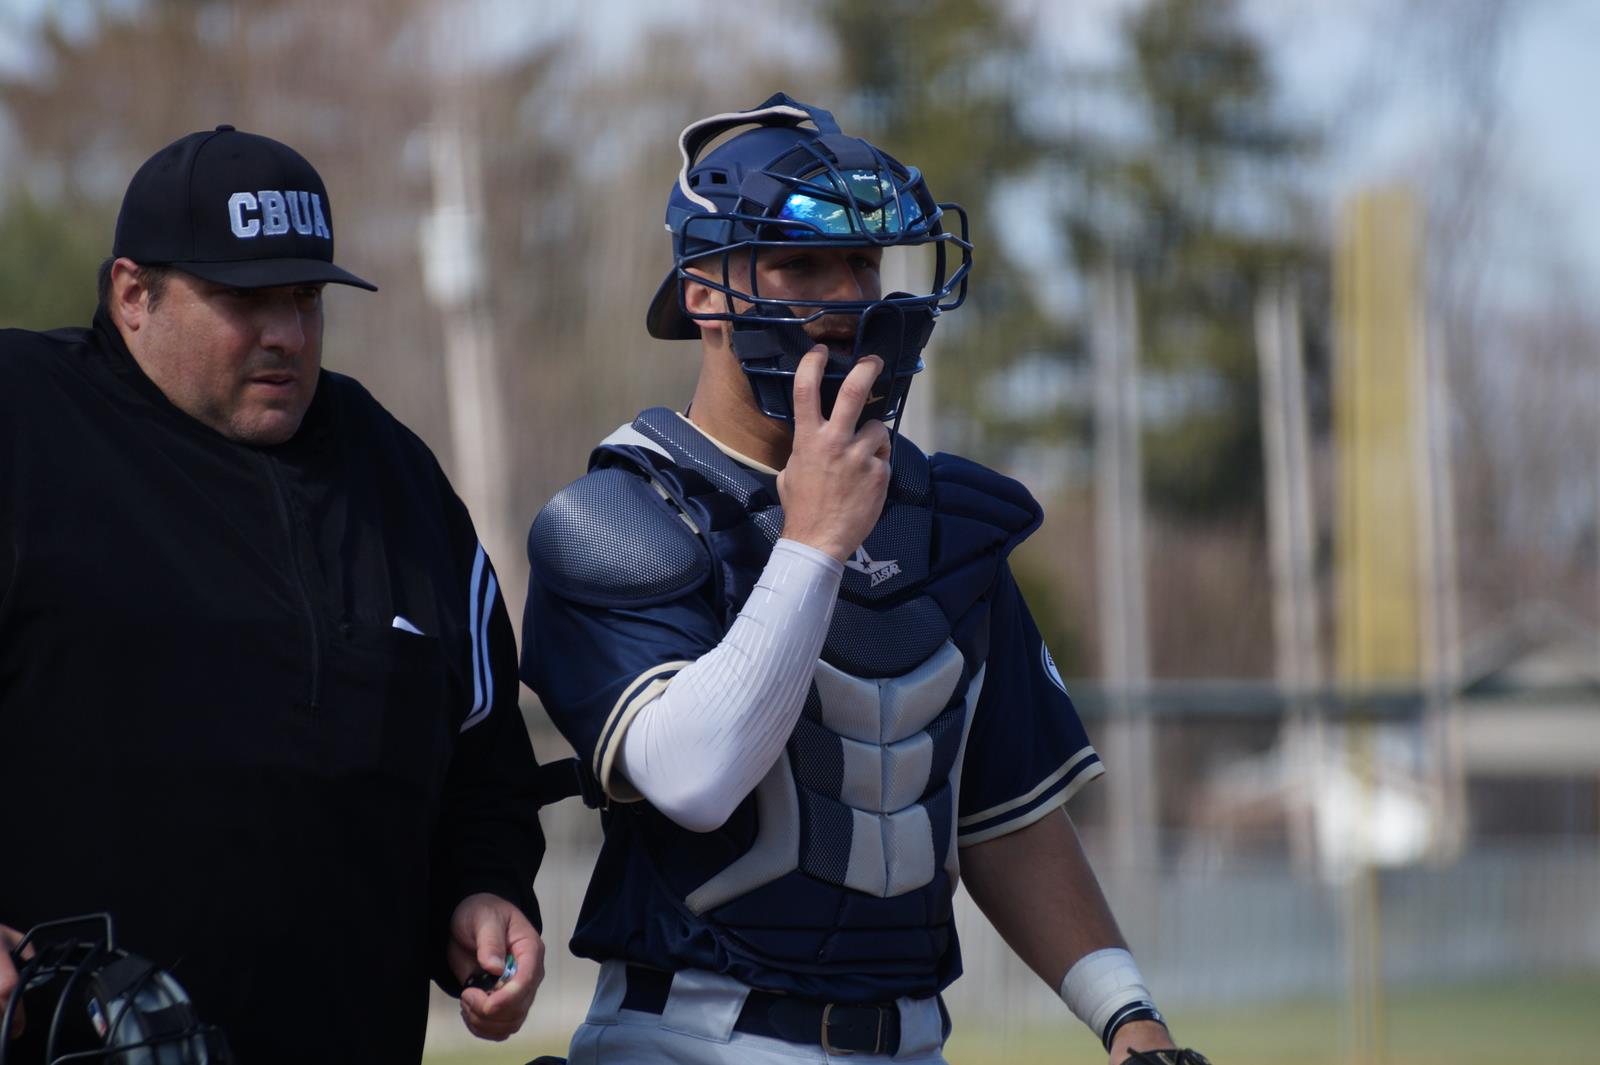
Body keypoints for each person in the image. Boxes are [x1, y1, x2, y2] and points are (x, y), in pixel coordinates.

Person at [520, 94, 1210, 1064]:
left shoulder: (946, 524)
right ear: (705, 289)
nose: (853, 299)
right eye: (804, 263)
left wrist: (1127, 1017)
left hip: (913, 1042)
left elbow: (1004, 814)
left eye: (865, 263)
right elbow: (694, 778)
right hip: (692, 1038)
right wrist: (815, 541)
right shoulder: (619, 519)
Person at [0, 125, 545, 1064]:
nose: (288, 335)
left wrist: (482, 887)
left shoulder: (392, 476)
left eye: (304, 297)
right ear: (134, 294)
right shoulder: (24, 424)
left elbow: (482, 747)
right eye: (245, 300)